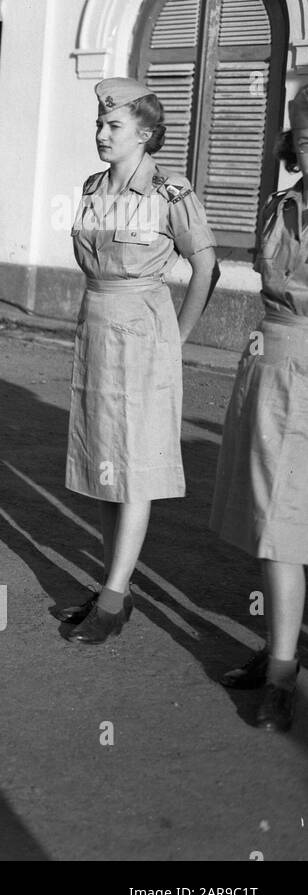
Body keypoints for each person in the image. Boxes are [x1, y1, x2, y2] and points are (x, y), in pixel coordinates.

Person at [57, 77, 220, 644]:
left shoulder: (172, 193)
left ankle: (115, 595)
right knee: (105, 461)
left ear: (146, 134)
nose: (101, 134)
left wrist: (179, 335)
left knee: (135, 467)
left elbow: (206, 266)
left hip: (145, 333)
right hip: (97, 330)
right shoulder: (92, 187)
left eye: (113, 126)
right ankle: (112, 584)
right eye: (100, 124)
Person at [211, 95, 308, 732]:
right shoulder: (282, 203)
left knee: (291, 522)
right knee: (275, 519)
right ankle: (279, 653)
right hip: (272, 365)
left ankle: (283, 661)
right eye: (301, 134)